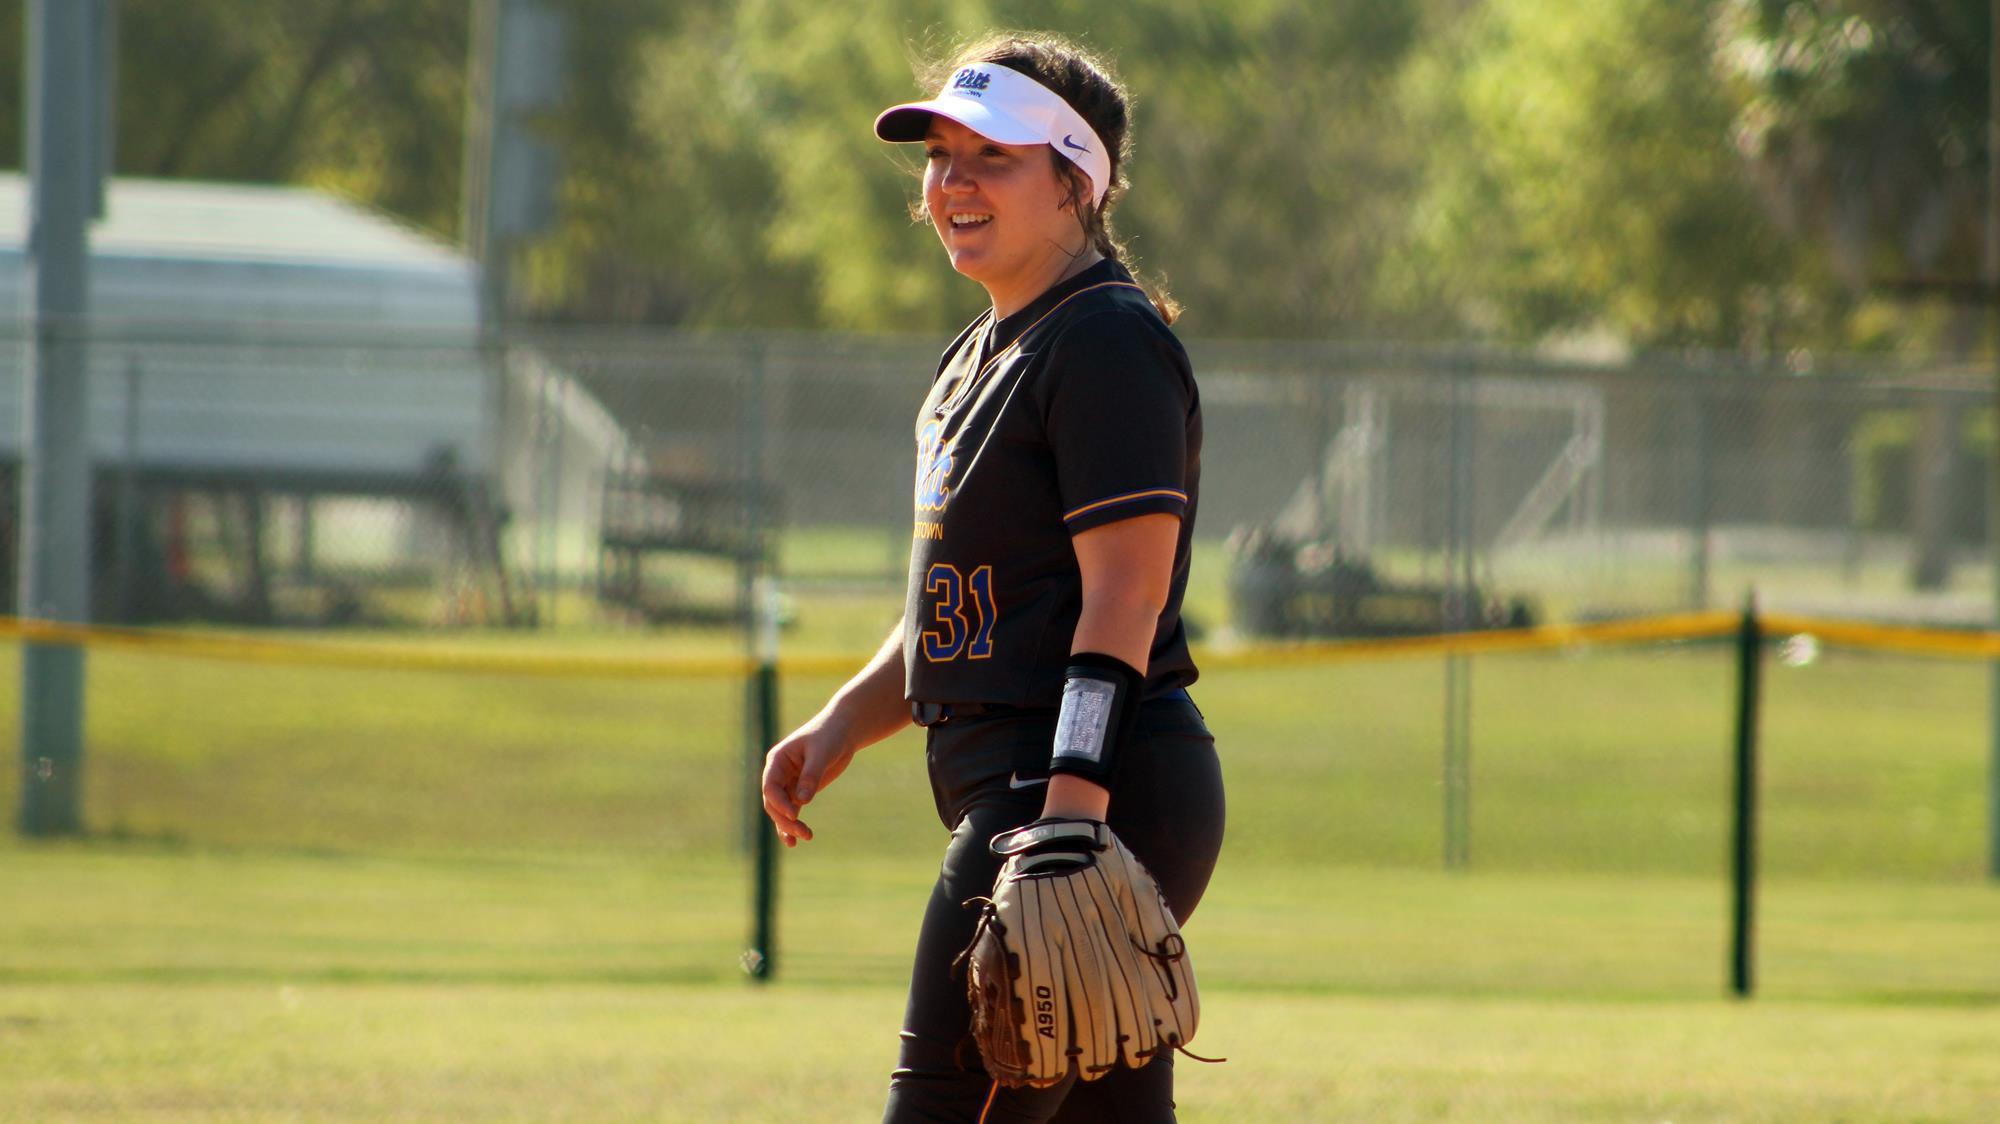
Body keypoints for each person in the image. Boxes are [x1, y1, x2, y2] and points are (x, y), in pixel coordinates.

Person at [761, 31, 1226, 1124]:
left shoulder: (1103, 340)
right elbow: (956, 607)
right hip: (1031, 785)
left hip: (1073, 789)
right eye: (939, 155)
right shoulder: (979, 353)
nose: (951, 182)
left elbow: (1124, 593)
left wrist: (1068, 817)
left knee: (941, 1106)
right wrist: (839, 722)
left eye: (993, 156)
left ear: (1075, 183)